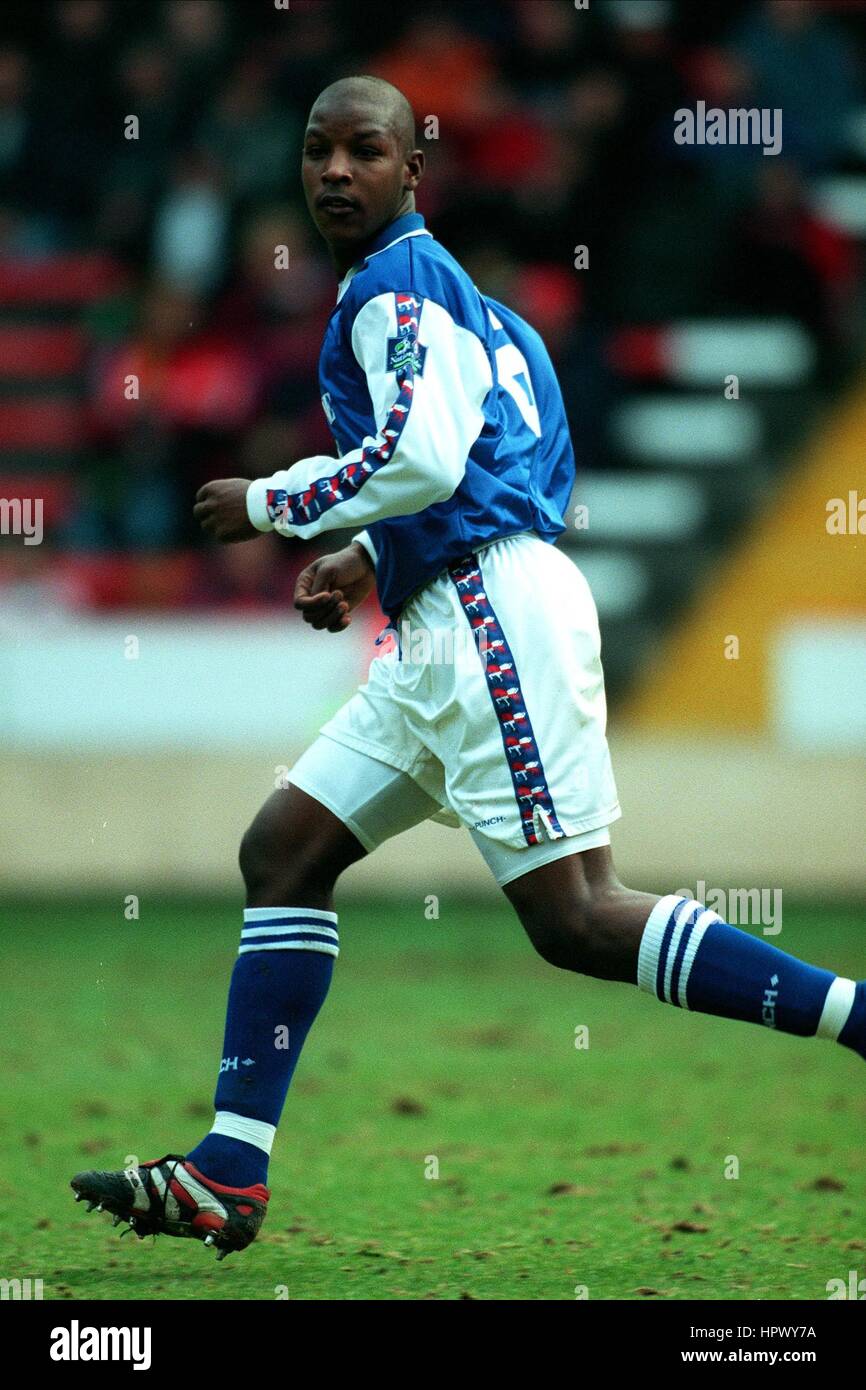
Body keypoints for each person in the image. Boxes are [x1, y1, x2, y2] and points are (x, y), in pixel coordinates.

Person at [71, 76, 865, 1260]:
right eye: (317, 151)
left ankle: (856, 1018)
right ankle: (228, 1169)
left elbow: (428, 460)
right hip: (456, 609)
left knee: (577, 918)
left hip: (488, 614)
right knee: (282, 849)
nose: (335, 171)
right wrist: (363, 554)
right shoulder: (488, 320)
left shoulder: (395, 286)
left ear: (410, 173)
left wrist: (276, 502)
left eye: (364, 151)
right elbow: (481, 465)